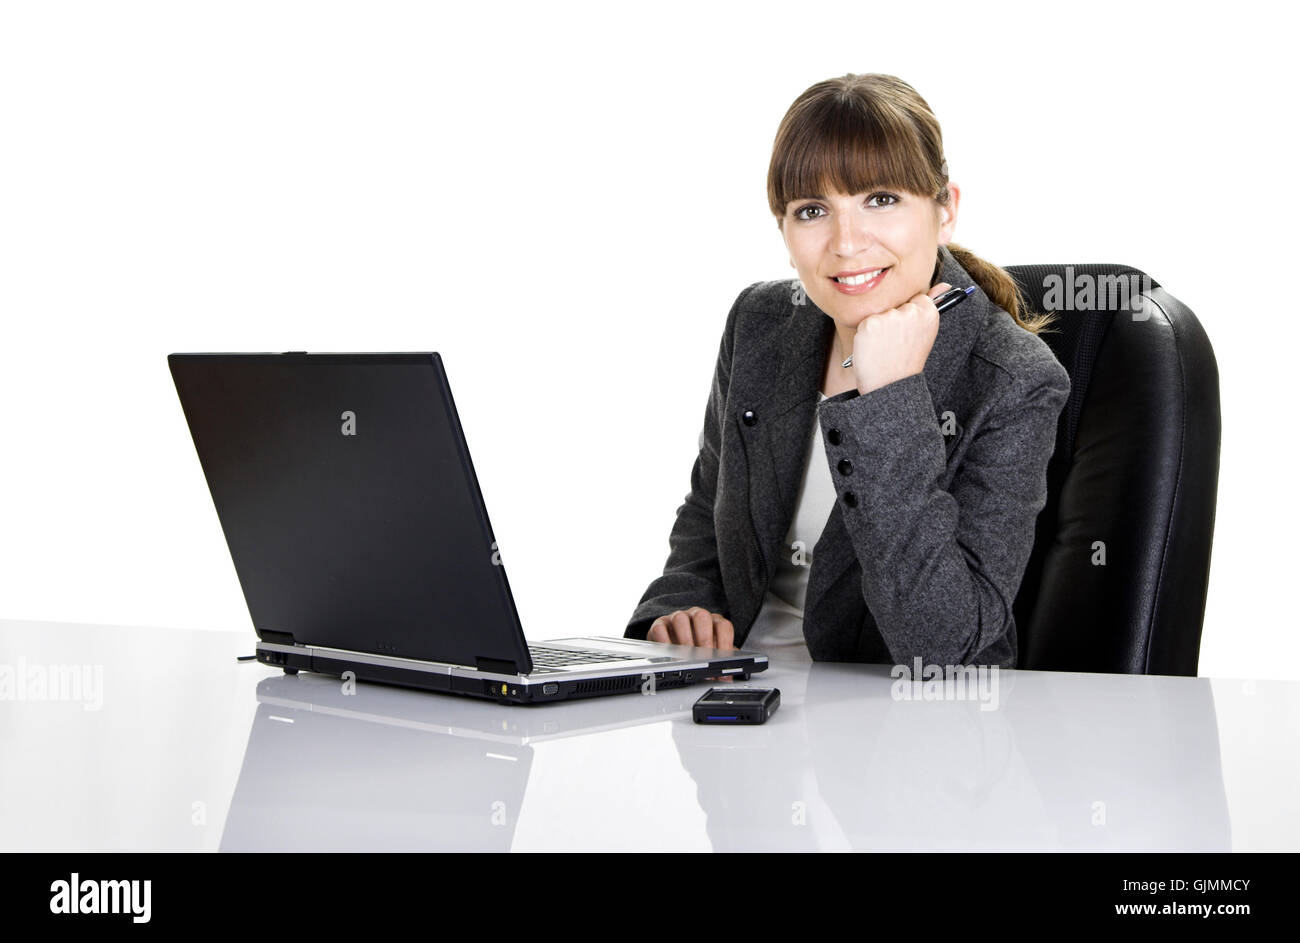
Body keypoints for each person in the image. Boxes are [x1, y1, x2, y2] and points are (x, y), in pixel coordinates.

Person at [624, 73, 1071, 667]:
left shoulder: (1011, 378)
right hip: (737, 709)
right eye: (812, 211)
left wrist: (891, 400)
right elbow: (709, 511)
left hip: (898, 732)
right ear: (785, 233)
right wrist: (682, 609)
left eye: (880, 200)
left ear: (945, 211)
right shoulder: (761, 323)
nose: (846, 242)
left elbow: (946, 644)